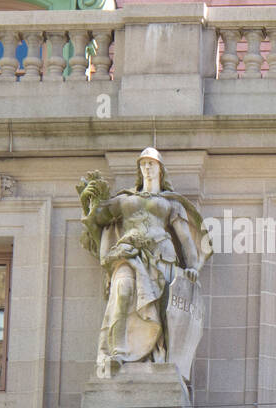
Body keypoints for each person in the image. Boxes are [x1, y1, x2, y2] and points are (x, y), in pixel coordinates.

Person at [78, 148, 211, 380]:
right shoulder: (125, 200)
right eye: (143, 164)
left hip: (162, 256)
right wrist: (88, 199)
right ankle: (117, 351)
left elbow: (186, 239)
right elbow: (98, 218)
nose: (147, 168)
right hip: (127, 253)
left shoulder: (171, 203)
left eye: (152, 164)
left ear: (161, 169)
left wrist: (193, 267)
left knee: (162, 309)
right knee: (122, 291)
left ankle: (158, 358)